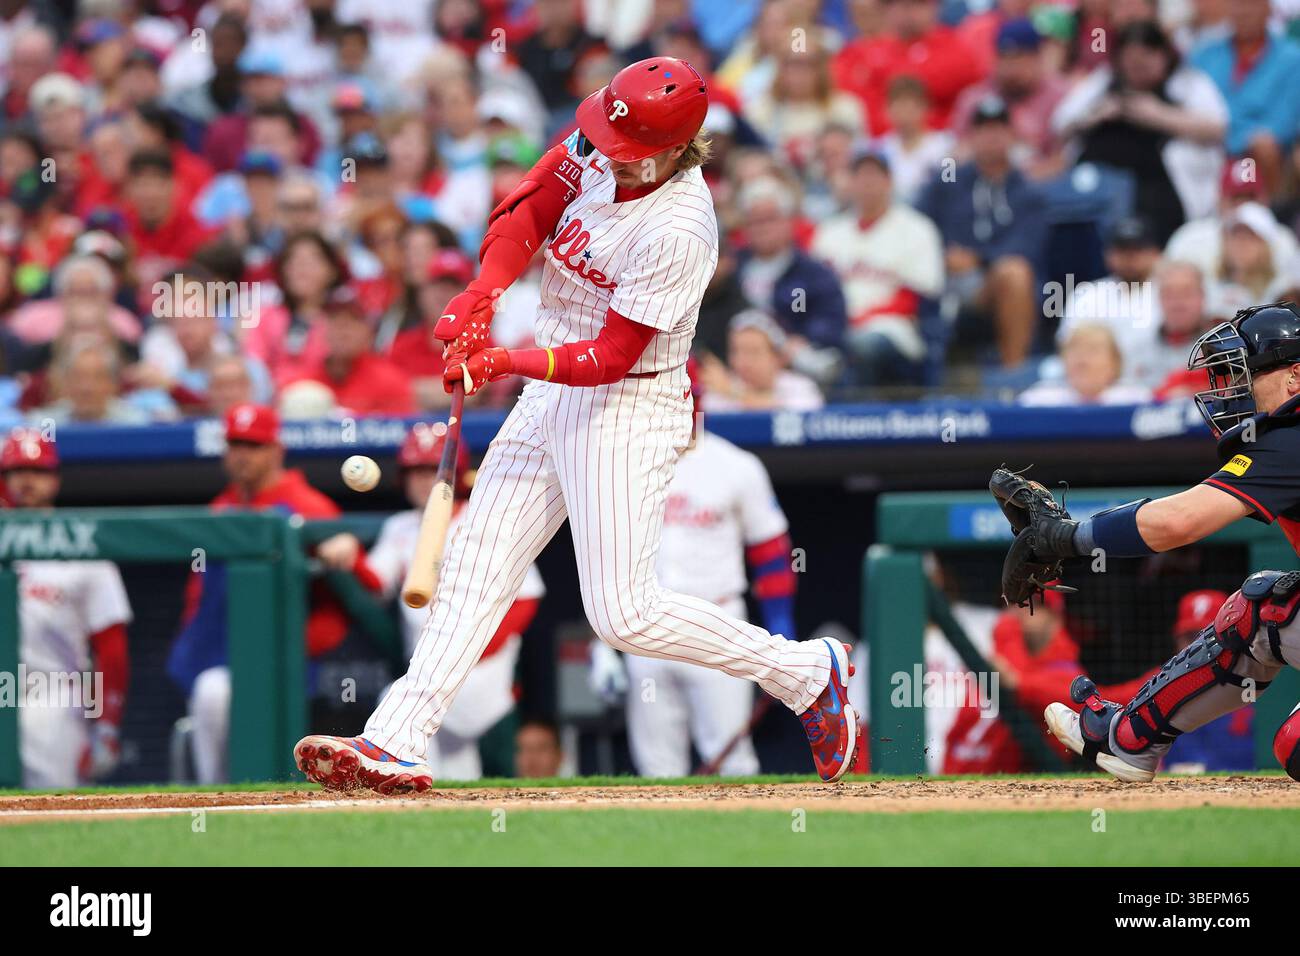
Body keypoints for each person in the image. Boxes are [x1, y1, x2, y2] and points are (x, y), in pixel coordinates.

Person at [294, 57, 858, 794]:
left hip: (629, 403)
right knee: (476, 561)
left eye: (626, 150)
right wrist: (482, 292)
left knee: (623, 614)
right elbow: (529, 205)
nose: (602, 151)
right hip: (553, 389)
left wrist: (504, 358)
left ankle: (806, 668)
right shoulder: (606, 131)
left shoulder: (682, 228)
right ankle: (396, 738)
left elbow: (613, 355)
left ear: (671, 149)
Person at [1016, 301, 1300, 782]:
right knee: (1264, 610)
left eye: (1247, 373)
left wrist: (1067, 537)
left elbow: (1178, 522)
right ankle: (1129, 739)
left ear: (1295, 377)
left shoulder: (1291, 438)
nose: (1235, 390)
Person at [590, 371, 797, 777]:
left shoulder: (735, 465)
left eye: (687, 396)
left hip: (718, 623)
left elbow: (772, 554)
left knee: (731, 760)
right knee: (655, 766)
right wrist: (602, 643)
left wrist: (780, 630)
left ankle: (747, 841)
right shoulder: (627, 464)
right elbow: (604, 558)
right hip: (646, 631)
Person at [168, 404, 381, 783]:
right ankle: (212, 797)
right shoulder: (219, 510)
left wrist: (344, 546)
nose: (243, 455)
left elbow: (370, 589)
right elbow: (197, 599)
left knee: (220, 697)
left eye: (253, 445)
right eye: (235, 444)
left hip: (295, 661)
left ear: (276, 451)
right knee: (210, 691)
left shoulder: (308, 505)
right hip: (225, 656)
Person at [340, 423, 545, 779]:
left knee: (397, 698)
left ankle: (389, 765)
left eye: (433, 471)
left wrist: (467, 651)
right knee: (454, 767)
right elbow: (376, 580)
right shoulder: (401, 527)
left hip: (483, 671)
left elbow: (526, 599)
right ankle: (434, 814)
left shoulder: (484, 520)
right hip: (428, 667)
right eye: (416, 471)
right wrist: (349, 556)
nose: (424, 481)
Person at [2, 429, 130, 788]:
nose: (27, 481)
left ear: (54, 479)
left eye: (37, 471)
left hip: (55, 690)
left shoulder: (83, 548)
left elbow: (112, 648)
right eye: (16, 471)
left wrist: (107, 723)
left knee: (51, 799)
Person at [917, 95, 1047, 372]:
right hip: (945, 278)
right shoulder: (948, 182)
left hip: (996, 280)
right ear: (971, 136)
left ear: (1012, 136)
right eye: (984, 129)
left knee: (1015, 272)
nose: (991, 137)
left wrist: (978, 259)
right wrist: (940, 256)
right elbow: (916, 225)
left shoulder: (1028, 191)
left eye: (999, 129)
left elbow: (1027, 247)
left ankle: (1014, 374)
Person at [812, 146, 944, 386]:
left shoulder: (918, 228)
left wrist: (859, 319)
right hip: (835, 326)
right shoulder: (829, 232)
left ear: (889, 181)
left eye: (875, 175)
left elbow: (915, 298)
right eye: (860, 175)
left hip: (891, 330)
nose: (867, 183)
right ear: (850, 182)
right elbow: (817, 292)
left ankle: (855, 419)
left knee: (861, 345)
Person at [700, 310, 826, 412]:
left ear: (777, 357)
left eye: (753, 352)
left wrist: (734, 393)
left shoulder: (800, 387)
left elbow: (791, 416)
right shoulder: (719, 391)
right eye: (736, 351)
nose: (743, 362)